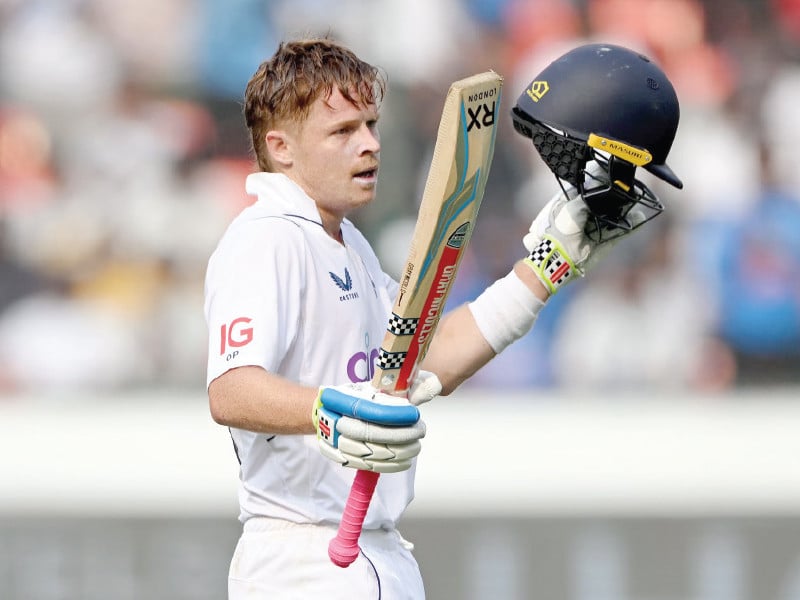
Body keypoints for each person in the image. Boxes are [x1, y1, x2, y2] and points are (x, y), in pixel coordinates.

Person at [203, 38, 682, 599]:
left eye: (371, 125)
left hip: (371, 555)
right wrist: (329, 412)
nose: (370, 145)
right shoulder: (265, 238)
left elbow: (423, 361)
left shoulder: (346, 245)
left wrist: (548, 265)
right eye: (343, 132)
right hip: (301, 559)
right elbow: (231, 391)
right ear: (281, 148)